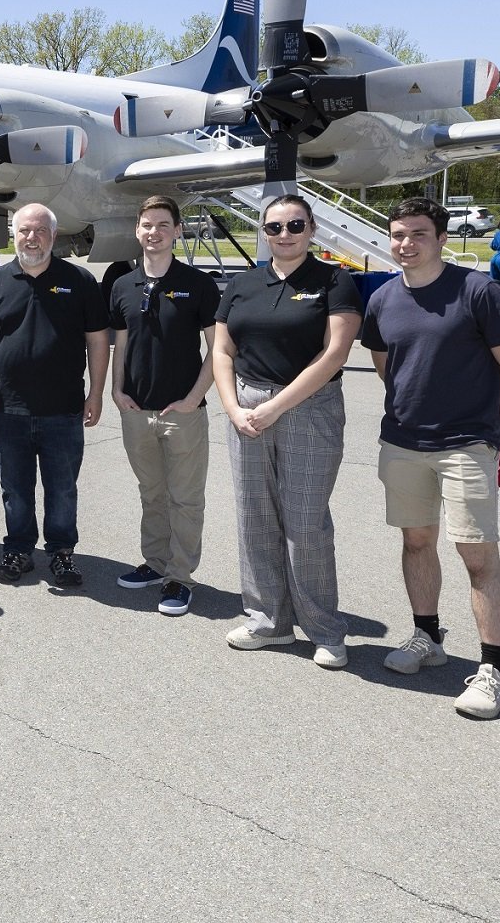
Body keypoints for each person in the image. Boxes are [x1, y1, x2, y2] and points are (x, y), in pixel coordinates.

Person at [361, 197, 500, 719]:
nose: (406, 243)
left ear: (441, 239)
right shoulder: (383, 298)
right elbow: (387, 365)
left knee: (478, 557)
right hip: (403, 443)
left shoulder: (478, 292)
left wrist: (484, 427)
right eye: (398, 234)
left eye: (418, 234)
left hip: (466, 446)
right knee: (416, 543)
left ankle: (494, 672)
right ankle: (427, 637)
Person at [212, 195, 361, 668]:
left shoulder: (334, 281)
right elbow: (222, 351)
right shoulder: (242, 284)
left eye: (295, 225)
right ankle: (268, 621)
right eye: (274, 227)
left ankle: (324, 629)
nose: (285, 234)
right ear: (263, 232)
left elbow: (335, 353)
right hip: (247, 408)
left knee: (305, 523)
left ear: (312, 229)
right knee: (254, 516)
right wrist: (233, 408)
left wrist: (275, 407)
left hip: (308, 408)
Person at [0, 203, 107, 587]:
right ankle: (19, 550)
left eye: (40, 230)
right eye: (24, 230)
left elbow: (97, 340)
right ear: (14, 234)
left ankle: (61, 553)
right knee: (15, 489)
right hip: (7, 410)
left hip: (64, 410)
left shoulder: (79, 280)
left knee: (62, 489)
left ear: (53, 236)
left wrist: (96, 394)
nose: (31, 238)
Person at [109, 197, 219, 616]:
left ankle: (180, 577)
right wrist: (117, 392)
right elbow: (120, 345)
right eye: (146, 225)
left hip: (182, 414)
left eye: (162, 225)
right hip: (136, 411)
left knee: (185, 499)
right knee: (151, 493)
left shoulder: (199, 284)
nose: (153, 232)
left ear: (177, 231)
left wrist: (192, 399)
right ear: (136, 231)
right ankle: (155, 563)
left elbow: (219, 349)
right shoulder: (122, 284)